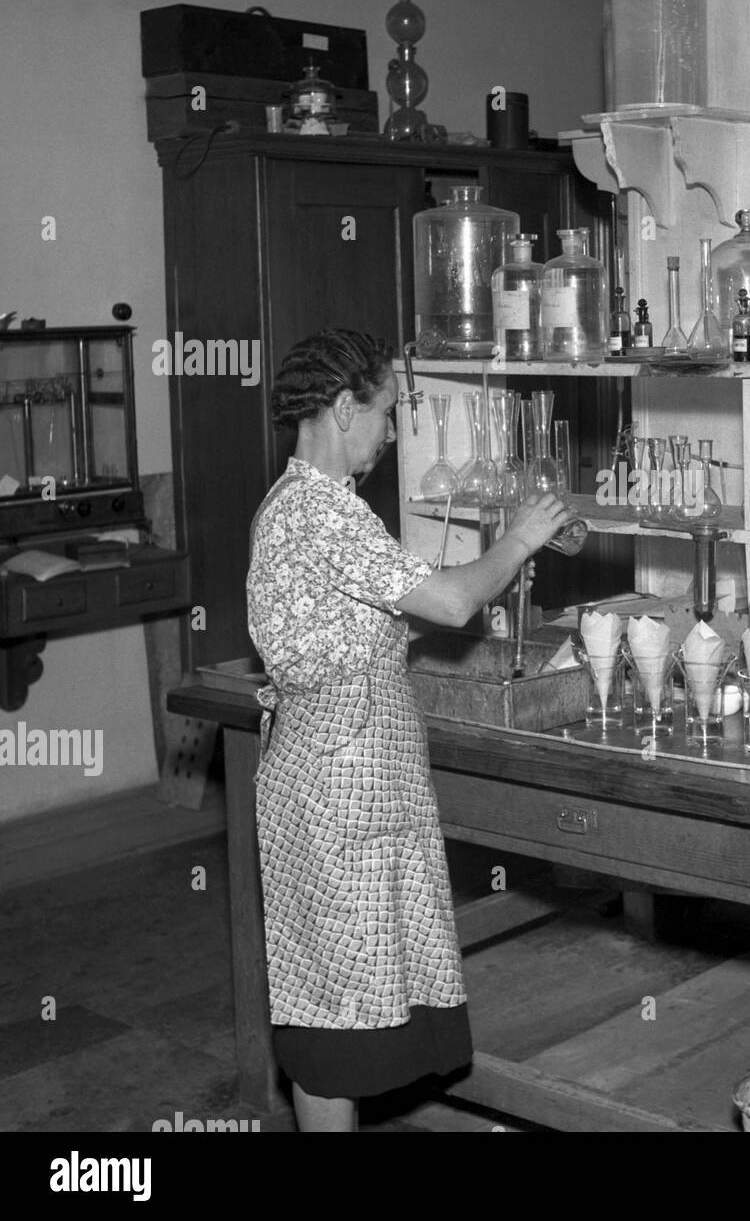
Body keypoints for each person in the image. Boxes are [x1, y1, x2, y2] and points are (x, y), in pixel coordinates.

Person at [246, 327, 569, 1132]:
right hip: (335, 788)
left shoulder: (311, 506)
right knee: (334, 1024)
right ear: (344, 407)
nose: (392, 435)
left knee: (354, 1001)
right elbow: (452, 604)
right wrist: (519, 539)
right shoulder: (320, 513)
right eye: (386, 414)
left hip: (352, 770)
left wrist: (484, 573)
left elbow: (374, 627)